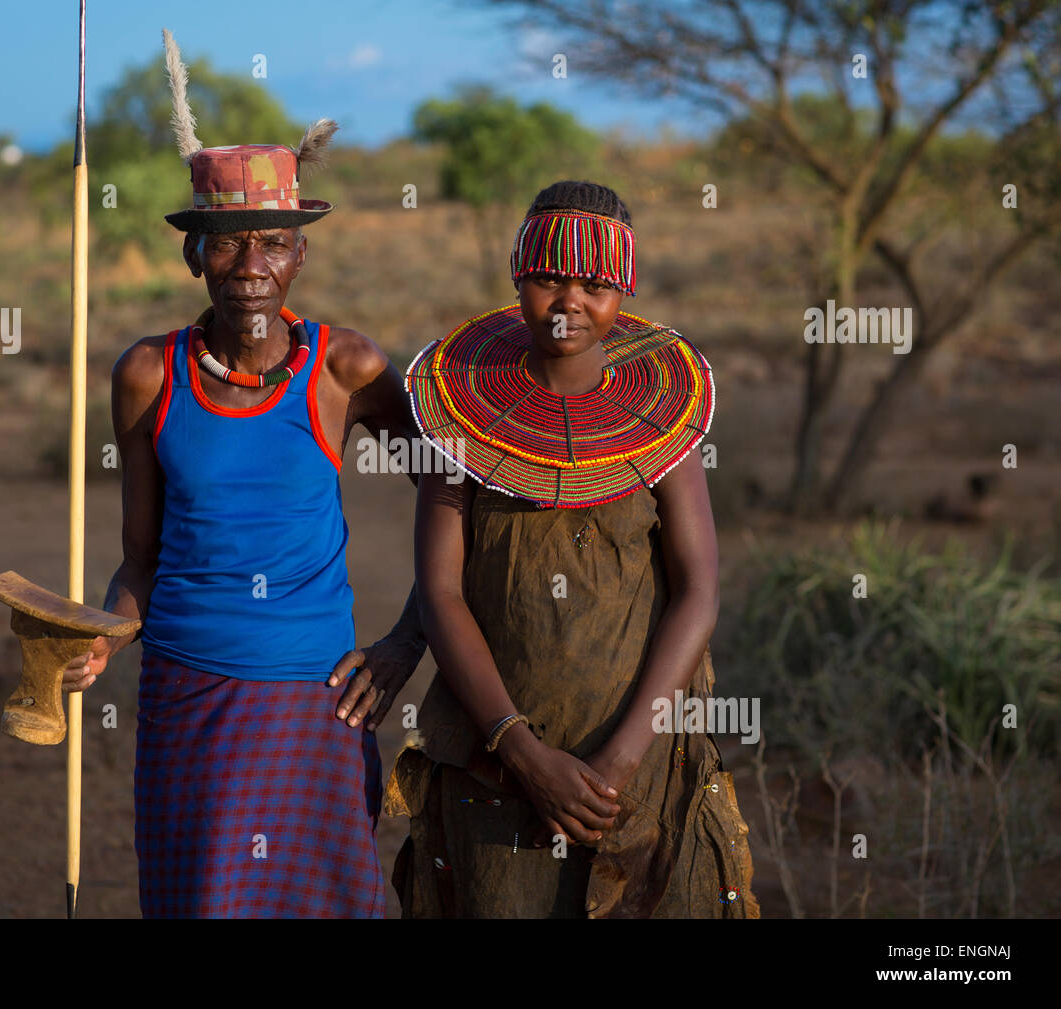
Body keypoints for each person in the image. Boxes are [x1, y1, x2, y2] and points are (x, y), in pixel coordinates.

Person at [59, 30, 424, 918]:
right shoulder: (148, 374)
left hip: (317, 701)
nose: (249, 268)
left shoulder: (350, 370)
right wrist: (103, 635)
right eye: (225, 244)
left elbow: (457, 500)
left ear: (301, 254)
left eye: (271, 244)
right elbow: (140, 558)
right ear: (194, 255)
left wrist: (409, 640)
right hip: (190, 695)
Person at [387, 180, 759, 918]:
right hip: (495, 776)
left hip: (646, 770)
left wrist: (617, 762)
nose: (569, 303)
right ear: (518, 276)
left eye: (595, 284)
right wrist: (522, 752)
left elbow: (699, 591)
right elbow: (443, 593)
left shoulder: (662, 415)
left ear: (624, 291)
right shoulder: (460, 414)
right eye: (549, 278)